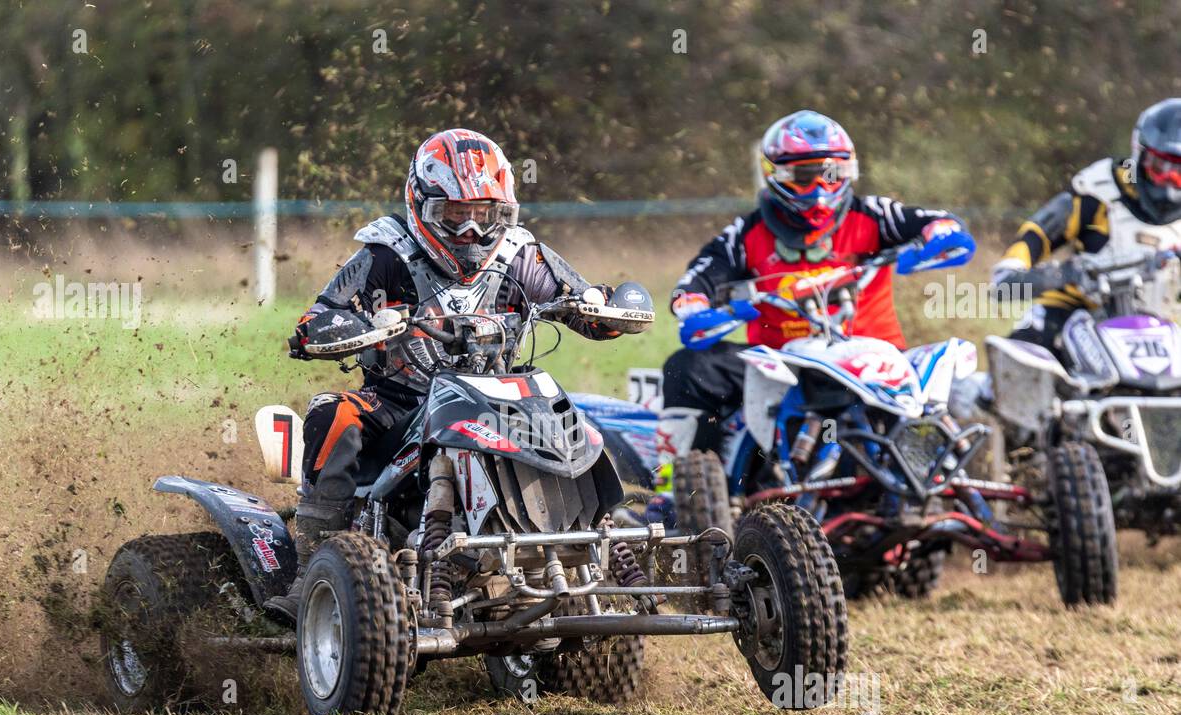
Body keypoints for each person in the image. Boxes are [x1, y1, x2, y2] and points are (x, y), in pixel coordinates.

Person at [265, 128, 626, 623]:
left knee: (571, 422)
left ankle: (599, 547)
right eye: (455, 216)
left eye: (485, 217)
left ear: (505, 213)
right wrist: (358, 327)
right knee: (332, 412)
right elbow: (315, 321)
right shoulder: (385, 252)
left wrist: (603, 308)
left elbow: (585, 303)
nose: (471, 233)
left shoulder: (520, 254)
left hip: (495, 401)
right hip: (400, 405)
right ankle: (313, 569)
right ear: (422, 206)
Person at [658, 109, 969, 460]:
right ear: (775, 174)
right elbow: (696, 281)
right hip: (782, 368)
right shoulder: (746, 234)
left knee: (954, 375)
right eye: (805, 176)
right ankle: (680, 489)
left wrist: (939, 233)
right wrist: (696, 306)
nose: (821, 188)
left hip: (876, 366)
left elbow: (935, 221)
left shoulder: (873, 215)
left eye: (833, 174)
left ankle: (963, 474)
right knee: (688, 368)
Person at [993, 98, 1181, 360]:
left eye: (1180, 172)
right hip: (1077, 314)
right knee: (1028, 342)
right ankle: (988, 398)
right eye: (1162, 168)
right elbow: (1037, 234)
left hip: (1161, 330)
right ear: (1140, 154)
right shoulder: (1099, 190)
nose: (1171, 182)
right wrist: (1015, 270)